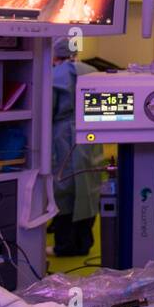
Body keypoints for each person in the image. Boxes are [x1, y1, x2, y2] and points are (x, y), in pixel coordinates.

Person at [49, 37, 106, 257]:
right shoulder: (91, 71)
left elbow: (49, 110)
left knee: (64, 191)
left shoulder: (55, 76)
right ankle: (84, 242)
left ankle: (65, 246)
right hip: (92, 135)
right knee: (89, 190)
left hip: (63, 136)